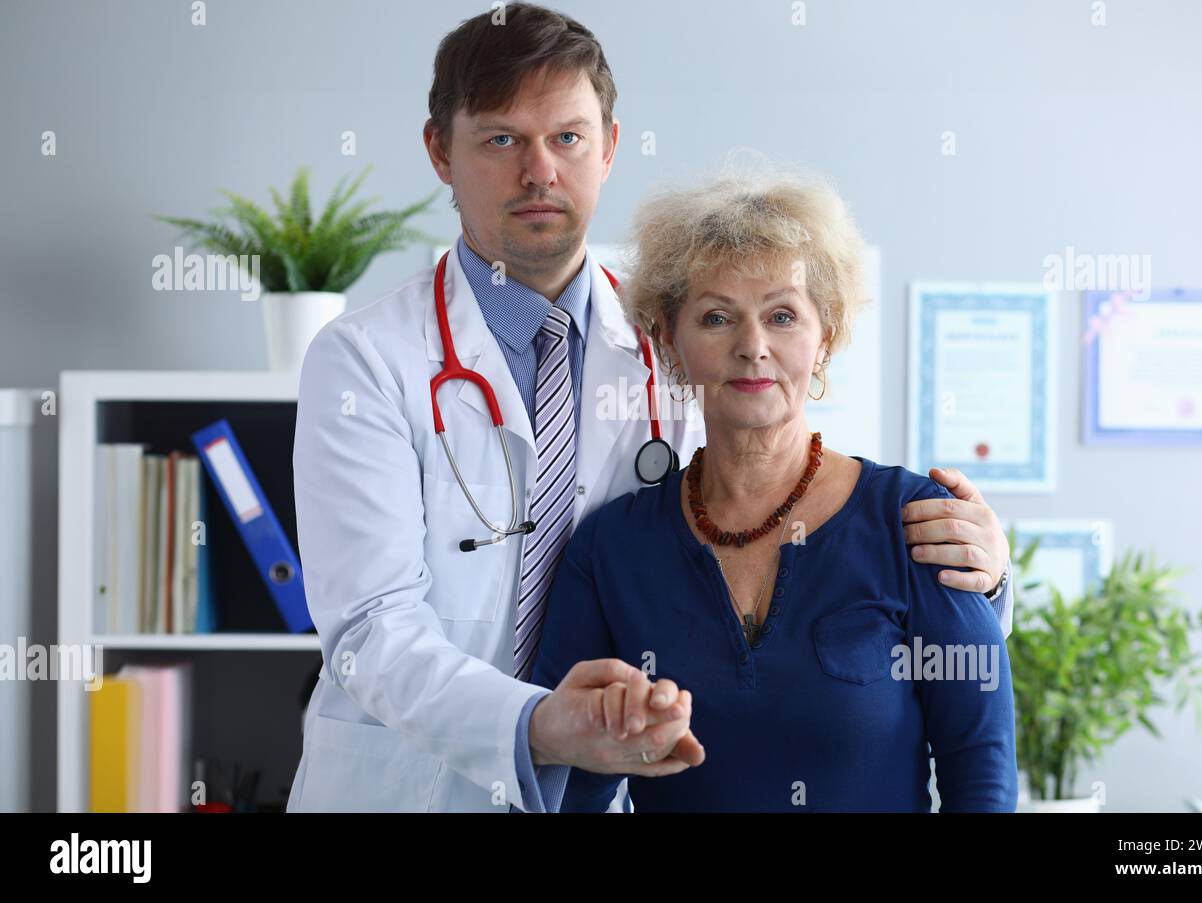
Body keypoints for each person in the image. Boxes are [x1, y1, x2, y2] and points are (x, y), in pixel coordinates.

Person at [287, 2, 1013, 813]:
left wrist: (976, 575)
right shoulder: (364, 361)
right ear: (438, 152)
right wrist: (541, 721)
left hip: (598, 790)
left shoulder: (678, 334)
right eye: (501, 139)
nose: (539, 171)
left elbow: (822, 530)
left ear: (609, 147)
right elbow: (371, 632)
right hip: (406, 788)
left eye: (567, 137)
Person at [530, 166, 1018, 811]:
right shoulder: (612, 547)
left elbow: (980, 769)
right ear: (669, 344)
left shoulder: (915, 523)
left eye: (783, 315)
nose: (752, 347)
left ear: (825, 339)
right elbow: (566, 783)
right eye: (716, 317)